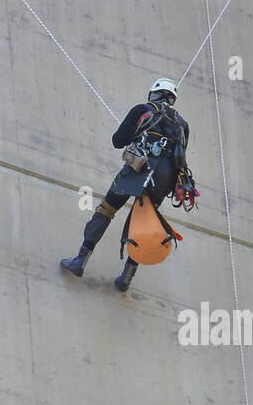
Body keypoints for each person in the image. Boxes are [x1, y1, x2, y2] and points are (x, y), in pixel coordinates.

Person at [60, 77, 193, 292]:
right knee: (142, 221)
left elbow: (117, 141)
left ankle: (80, 261)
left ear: (154, 93)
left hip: (139, 169)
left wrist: (135, 135)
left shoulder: (143, 110)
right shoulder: (183, 125)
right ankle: (127, 277)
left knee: (107, 209)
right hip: (163, 180)